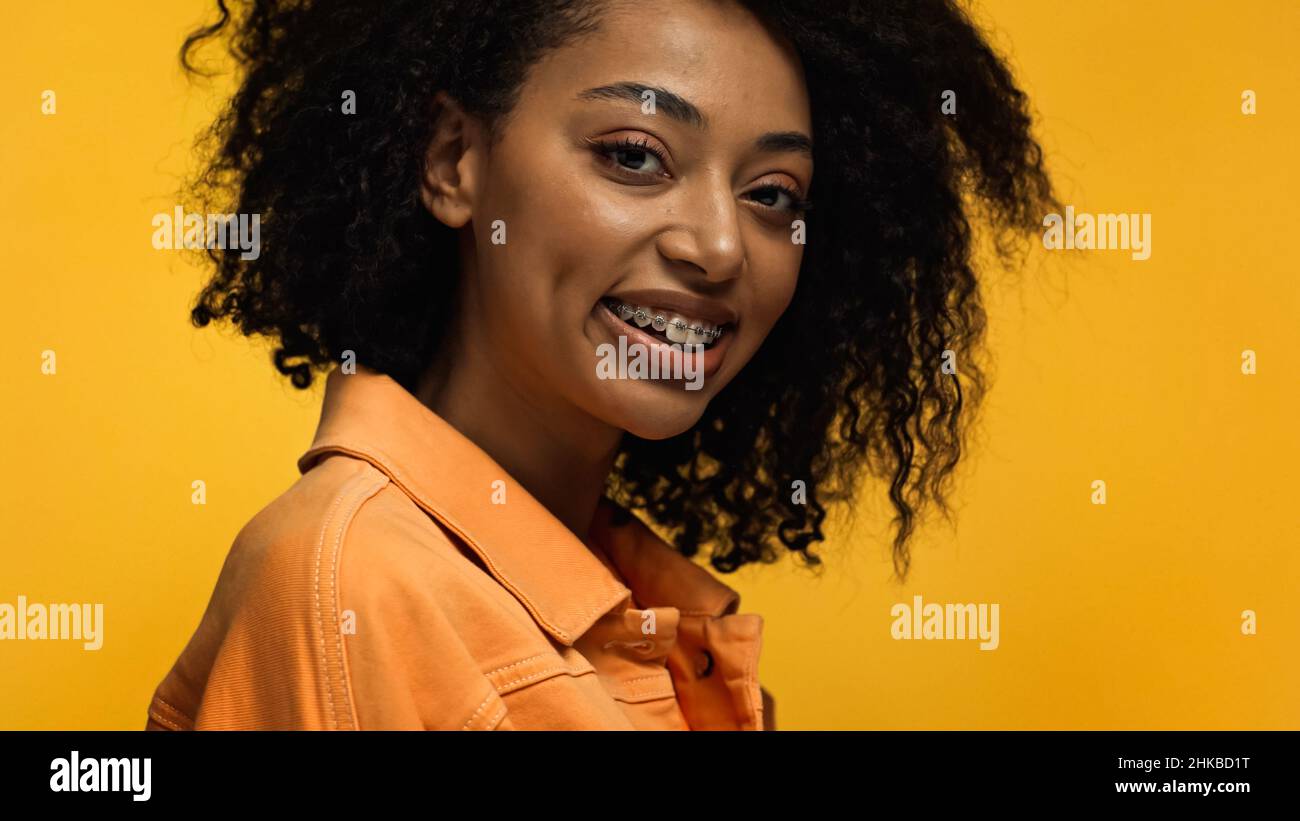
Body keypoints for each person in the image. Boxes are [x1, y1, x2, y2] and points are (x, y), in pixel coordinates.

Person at [146, 0, 1055, 730]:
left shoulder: (636, 612)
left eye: (773, 194)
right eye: (634, 156)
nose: (721, 246)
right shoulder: (347, 588)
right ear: (455, 160)